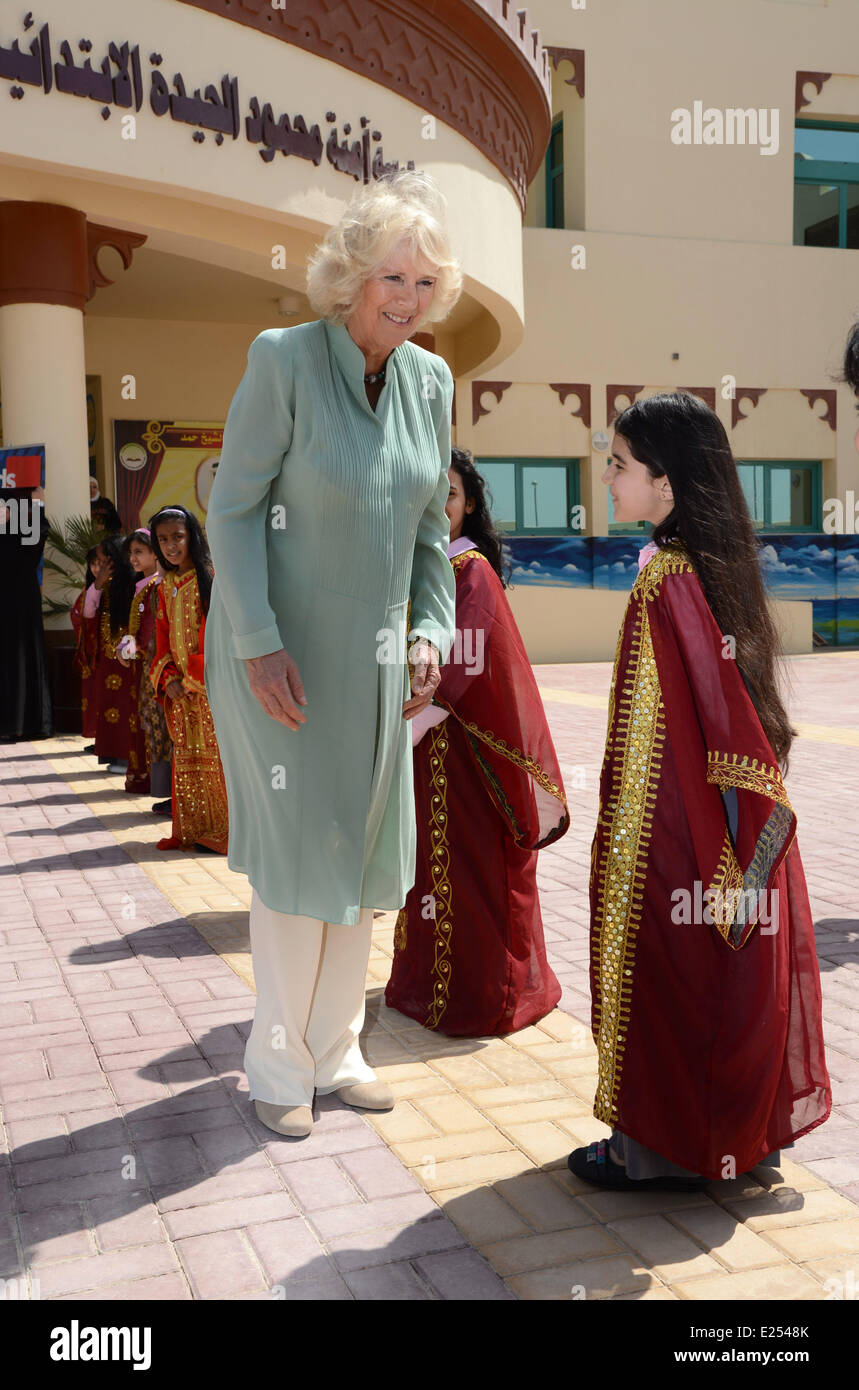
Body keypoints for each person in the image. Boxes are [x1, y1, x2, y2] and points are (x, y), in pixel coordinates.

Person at [204, 170, 461, 1138]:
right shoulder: (283, 359)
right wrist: (259, 646)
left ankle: (337, 1046)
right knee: (298, 859)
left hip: (382, 665)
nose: (405, 298)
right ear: (350, 273)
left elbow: (432, 531)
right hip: (280, 657)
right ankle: (277, 1066)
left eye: (425, 284)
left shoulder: (430, 380)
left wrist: (431, 631)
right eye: (392, 275)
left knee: (359, 854)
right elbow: (231, 511)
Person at [567, 392, 831, 1191]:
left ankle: (651, 1153)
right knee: (716, 989)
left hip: (676, 833)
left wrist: (656, 848)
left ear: (667, 485)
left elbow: (688, 730)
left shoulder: (667, 583)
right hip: (700, 824)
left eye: (618, 465)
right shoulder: (706, 569)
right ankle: (733, 1144)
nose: (606, 479)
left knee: (669, 980)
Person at [385, 448, 569, 1034]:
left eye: (452, 494)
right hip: (423, 749)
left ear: (468, 506)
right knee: (428, 869)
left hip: (463, 751)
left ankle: (488, 992)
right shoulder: (410, 567)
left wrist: (403, 728)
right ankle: (432, 980)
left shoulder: (471, 570)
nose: (440, 504)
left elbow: (463, 666)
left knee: (470, 870)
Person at [149, 506, 228, 854]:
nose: (170, 546)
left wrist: (195, 676)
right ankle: (196, 828)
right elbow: (162, 635)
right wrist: (168, 678)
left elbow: (217, 630)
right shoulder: (165, 584)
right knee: (190, 761)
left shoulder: (209, 575)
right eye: (163, 540)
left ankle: (227, 833)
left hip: (211, 688)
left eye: (177, 537)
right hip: (182, 691)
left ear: (192, 537)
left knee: (220, 760)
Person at [118, 528, 173, 809]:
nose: (133, 558)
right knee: (155, 728)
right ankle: (164, 789)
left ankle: (174, 793)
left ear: (154, 554)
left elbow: (154, 631)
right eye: (131, 553)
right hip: (149, 670)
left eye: (139, 551)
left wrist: (138, 647)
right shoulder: (144, 585)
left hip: (162, 670)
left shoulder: (159, 585)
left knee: (166, 729)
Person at [85, 536, 141, 777]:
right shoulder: (102, 585)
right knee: (110, 706)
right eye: (96, 561)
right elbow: (88, 612)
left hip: (131, 656)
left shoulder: (134, 583)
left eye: (104, 560)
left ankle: (131, 758)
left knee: (129, 708)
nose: (100, 565)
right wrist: (97, 584)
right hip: (109, 658)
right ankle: (115, 755)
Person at [0, 484, 53, 741]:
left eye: (4, 507)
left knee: (20, 663)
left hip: (20, 609)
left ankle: (22, 725)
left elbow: (38, 538)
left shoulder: (22, 532)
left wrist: (38, 505)